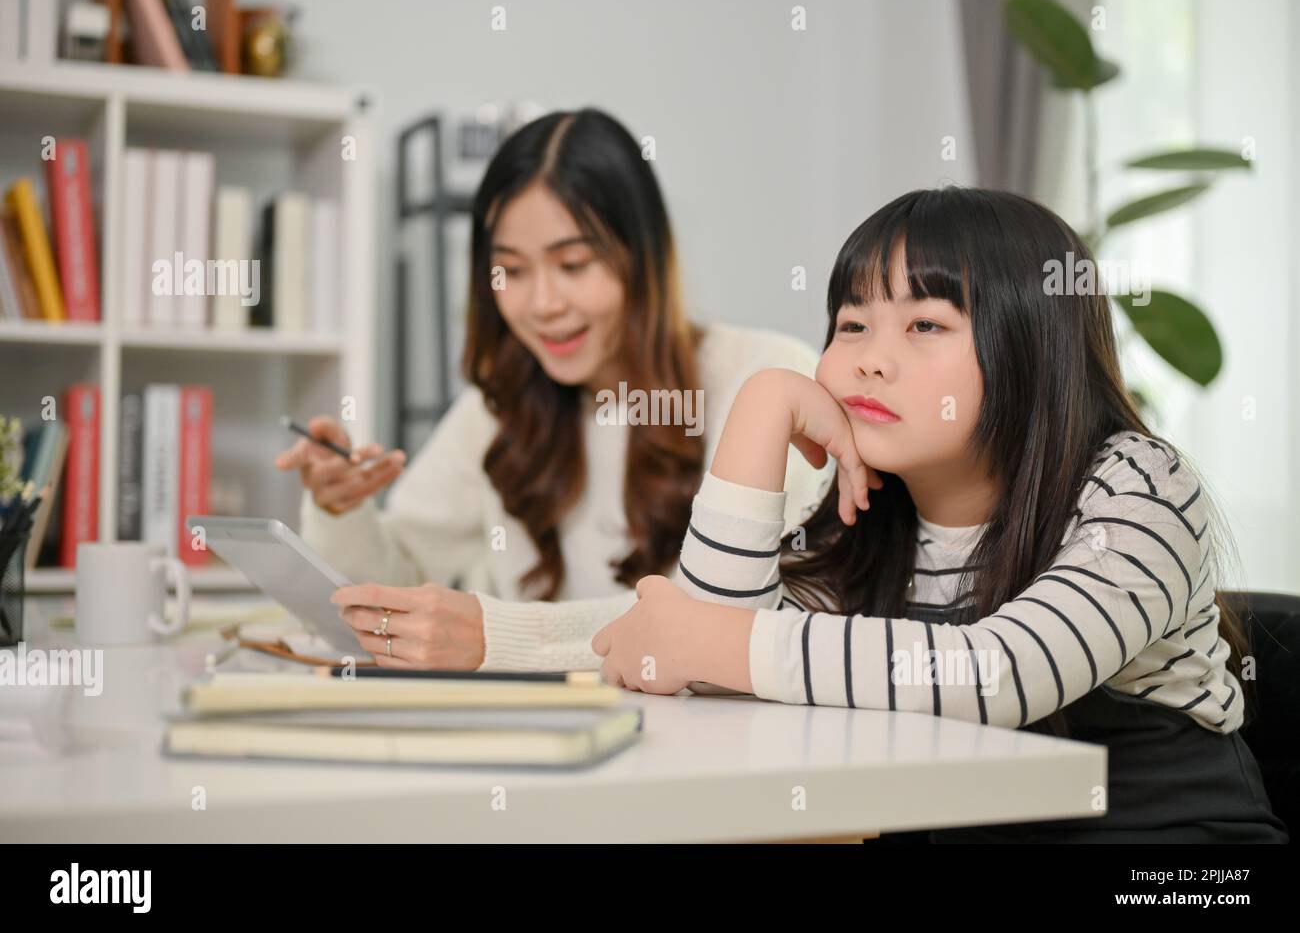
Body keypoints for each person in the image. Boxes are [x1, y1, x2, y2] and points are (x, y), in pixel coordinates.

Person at [592, 186, 1288, 843]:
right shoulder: (871, 507)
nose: (870, 360)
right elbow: (716, 678)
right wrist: (761, 408)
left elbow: (1004, 672)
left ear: (1032, 346)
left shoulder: (1137, 486)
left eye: (926, 323)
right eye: (852, 324)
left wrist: (706, 641)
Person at [275, 107, 830, 671]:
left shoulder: (763, 381)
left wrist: (500, 636)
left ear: (644, 256)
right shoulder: (499, 407)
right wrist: (341, 509)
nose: (543, 305)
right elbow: (397, 590)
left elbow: (743, 617)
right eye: (511, 272)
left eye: (572, 263)